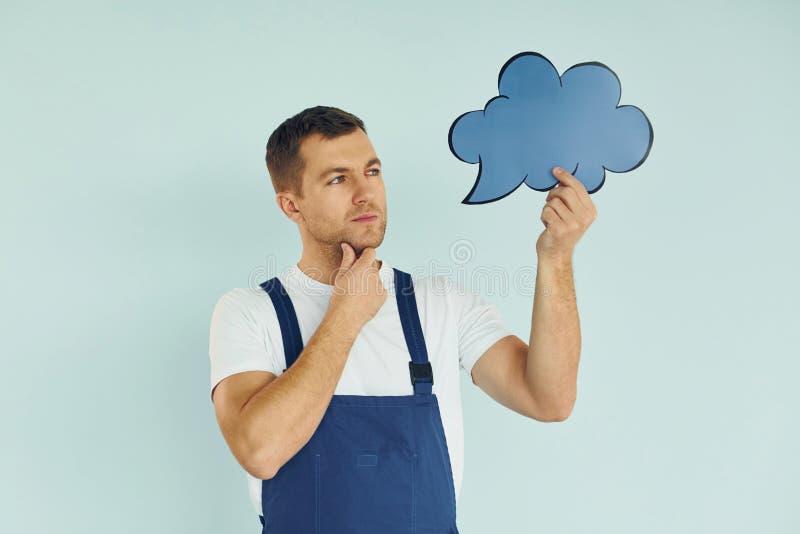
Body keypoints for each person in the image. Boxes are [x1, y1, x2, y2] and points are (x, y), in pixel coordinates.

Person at [209, 105, 594, 533]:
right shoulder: (249, 312)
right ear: (291, 205)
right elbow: (260, 451)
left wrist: (556, 256)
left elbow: (550, 399)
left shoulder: (441, 304)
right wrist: (345, 316)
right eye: (338, 178)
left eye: (372, 172)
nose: (364, 193)